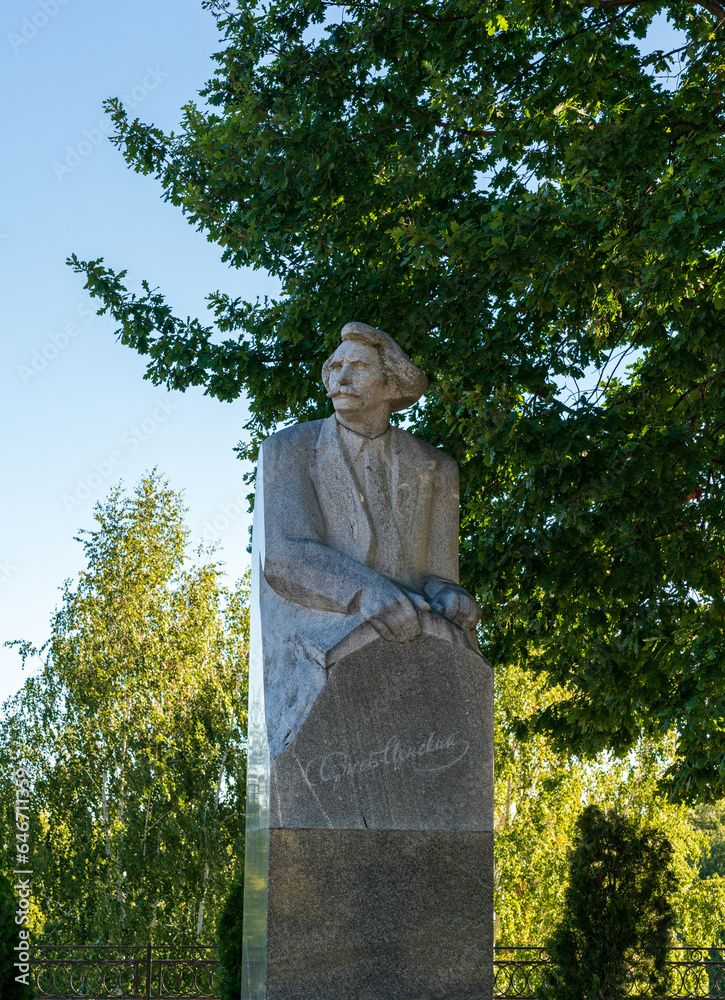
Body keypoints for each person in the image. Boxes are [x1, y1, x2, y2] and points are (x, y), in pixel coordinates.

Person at [258, 321, 481, 758]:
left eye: (357, 367)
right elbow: (284, 557)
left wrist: (452, 596)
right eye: (335, 366)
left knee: (457, 654)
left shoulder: (437, 468)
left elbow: (438, 575)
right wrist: (367, 592)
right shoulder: (289, 449)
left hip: (418, 623)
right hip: (323, 621)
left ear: (390, 383)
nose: (340, 378)